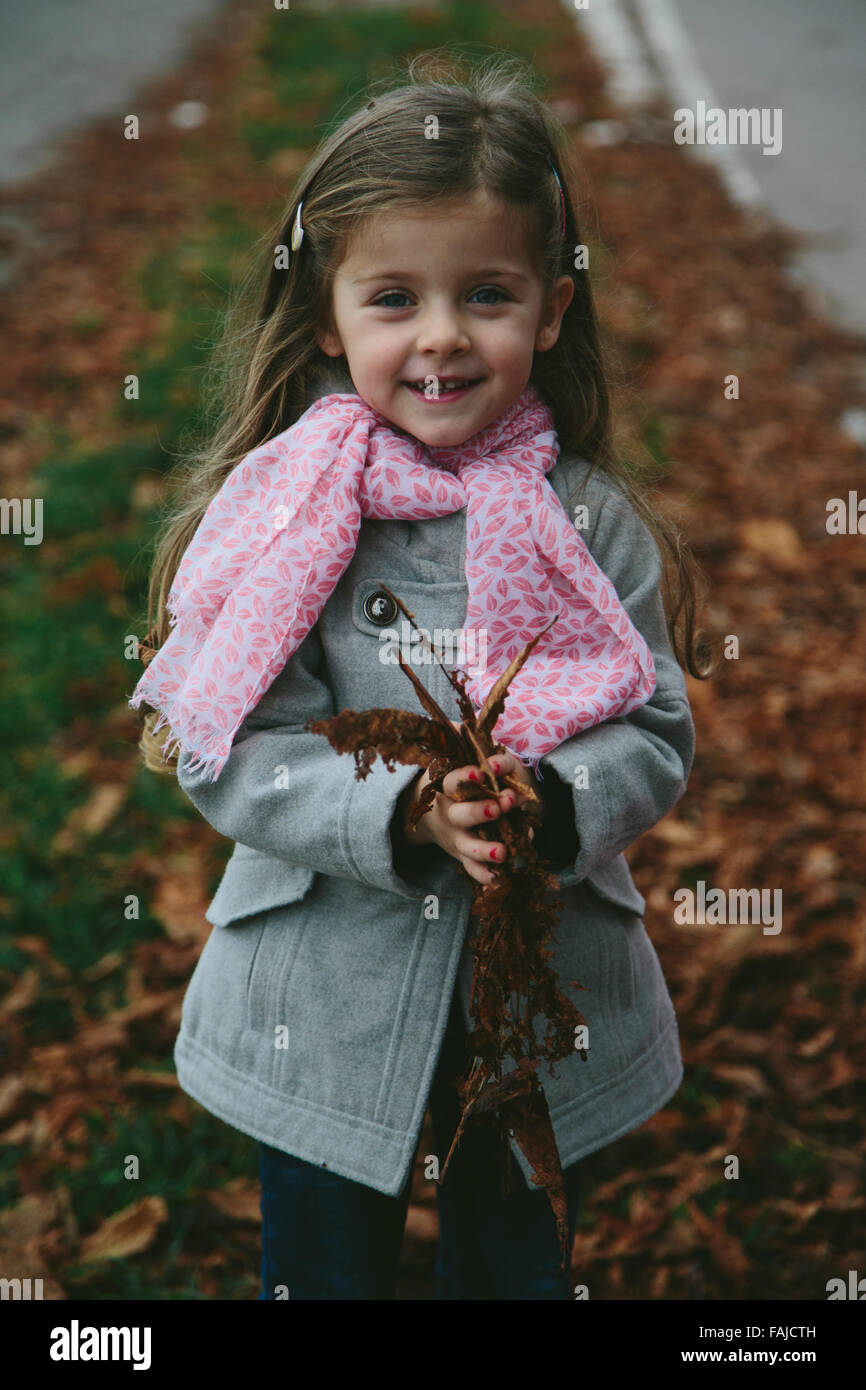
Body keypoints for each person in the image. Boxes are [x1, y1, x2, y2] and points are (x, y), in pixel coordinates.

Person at [129, 54, 707, 1301]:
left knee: (513, 1274)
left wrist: (546, 804)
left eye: (485, 294)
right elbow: (236, 747)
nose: (441, 334)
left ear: (549, 310)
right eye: (393, 297)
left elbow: (652, 727)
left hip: (535, 993)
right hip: (325, 994)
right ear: (326, 317)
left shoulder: (585, 522)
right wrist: (400, 809)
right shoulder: (291, 517)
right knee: (322, 1274)